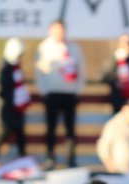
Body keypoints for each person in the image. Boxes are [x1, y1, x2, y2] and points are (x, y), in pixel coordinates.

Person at [35, 20, 85, 168]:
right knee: (51, 128)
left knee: (70, 129)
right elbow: (39, 71)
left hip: (69, 93)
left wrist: (77, 90)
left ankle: (70, 159)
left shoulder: (73, 48)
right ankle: (51, 158)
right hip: (52, 94)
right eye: (56, 30)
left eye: (62, 30)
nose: (60, 33)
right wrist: (44, 91)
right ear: (51, 31)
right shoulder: (44, 48)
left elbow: (81, 68)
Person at [0, 37, 31, 160]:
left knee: (20, 132)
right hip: (8, 106)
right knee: (6, 132)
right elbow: (3, 89)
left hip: (17, 106)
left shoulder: (16, 67)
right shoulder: (5, 67)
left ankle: (23, 157)